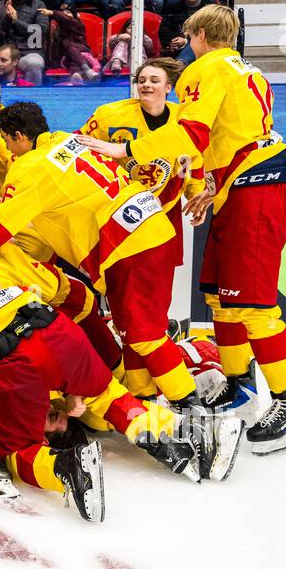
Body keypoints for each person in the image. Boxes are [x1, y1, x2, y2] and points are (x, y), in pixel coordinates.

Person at [0, 177, 235, 521]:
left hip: (4, 354)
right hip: (55, 329)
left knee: (14, 449)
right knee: (112, 399)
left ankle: (62, 466)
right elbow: (68, 291)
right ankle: (195, 431)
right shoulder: (4, 247)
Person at [89, 5, 286, 453]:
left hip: (258, 188)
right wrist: (212, 184)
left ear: (196, 33)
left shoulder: (205, 69)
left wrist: (126, 150)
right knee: (221, 296)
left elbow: (190, 134)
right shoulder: (243, 68)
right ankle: (240, 386)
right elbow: (232, 136)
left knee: (252, 304)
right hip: (243, 184)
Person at [77, 55, 203, 381]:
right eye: (142, 79)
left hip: (162, 223)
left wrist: (195, 194)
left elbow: (189, 165)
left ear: (169, 87)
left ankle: (149, 382)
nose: (146, 85)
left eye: (154, 80)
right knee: (123, 311)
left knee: (150, 314)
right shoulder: (111, 114)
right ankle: (140, 383)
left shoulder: (183, 122)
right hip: (118, 222)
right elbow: (81, 146)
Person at [162, 0, 212, 65]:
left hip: (206, 54)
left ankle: (178, 67)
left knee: (197, 44)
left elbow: (210, 35)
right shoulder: (173, 8)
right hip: (175, 52)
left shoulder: (210, 9)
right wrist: (174, 41)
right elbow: (164, 31)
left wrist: (185, 42)